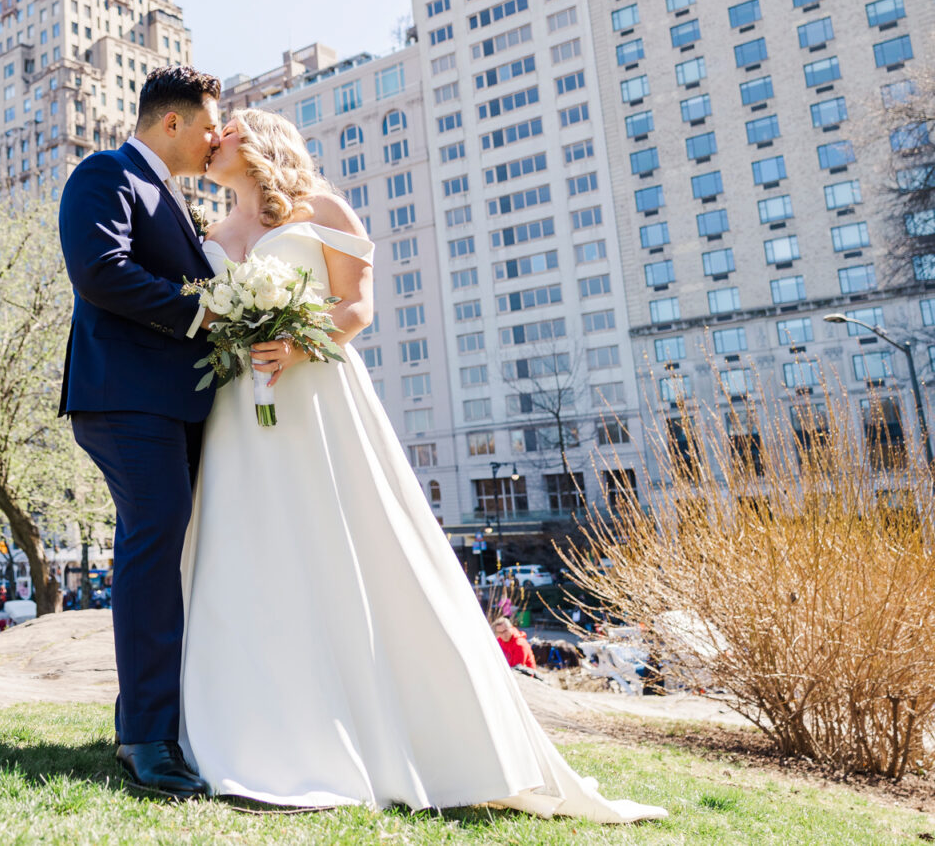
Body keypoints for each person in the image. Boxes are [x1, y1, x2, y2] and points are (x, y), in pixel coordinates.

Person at [176, 110, 665, 823]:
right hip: (238, 416)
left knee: (353, 550)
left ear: (254, 141)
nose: (208, 143)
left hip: (318, 400)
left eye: (221, 133)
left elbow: (359, 307)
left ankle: (405, 735)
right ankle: (254, 732)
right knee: (250, 558)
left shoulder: (323, 206)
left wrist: (299, 345)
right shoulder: (209, 238)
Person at [58, 65, 222, 798]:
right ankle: (145, 739)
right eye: (211, 125)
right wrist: (202, 312)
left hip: (174, 402)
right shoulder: (106, 173)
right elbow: (98, 271)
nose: (218, 139)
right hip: (125, 399)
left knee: (164, 551)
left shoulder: (179, 202)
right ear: (174, 122)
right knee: (153, 545)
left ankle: (152, 717)